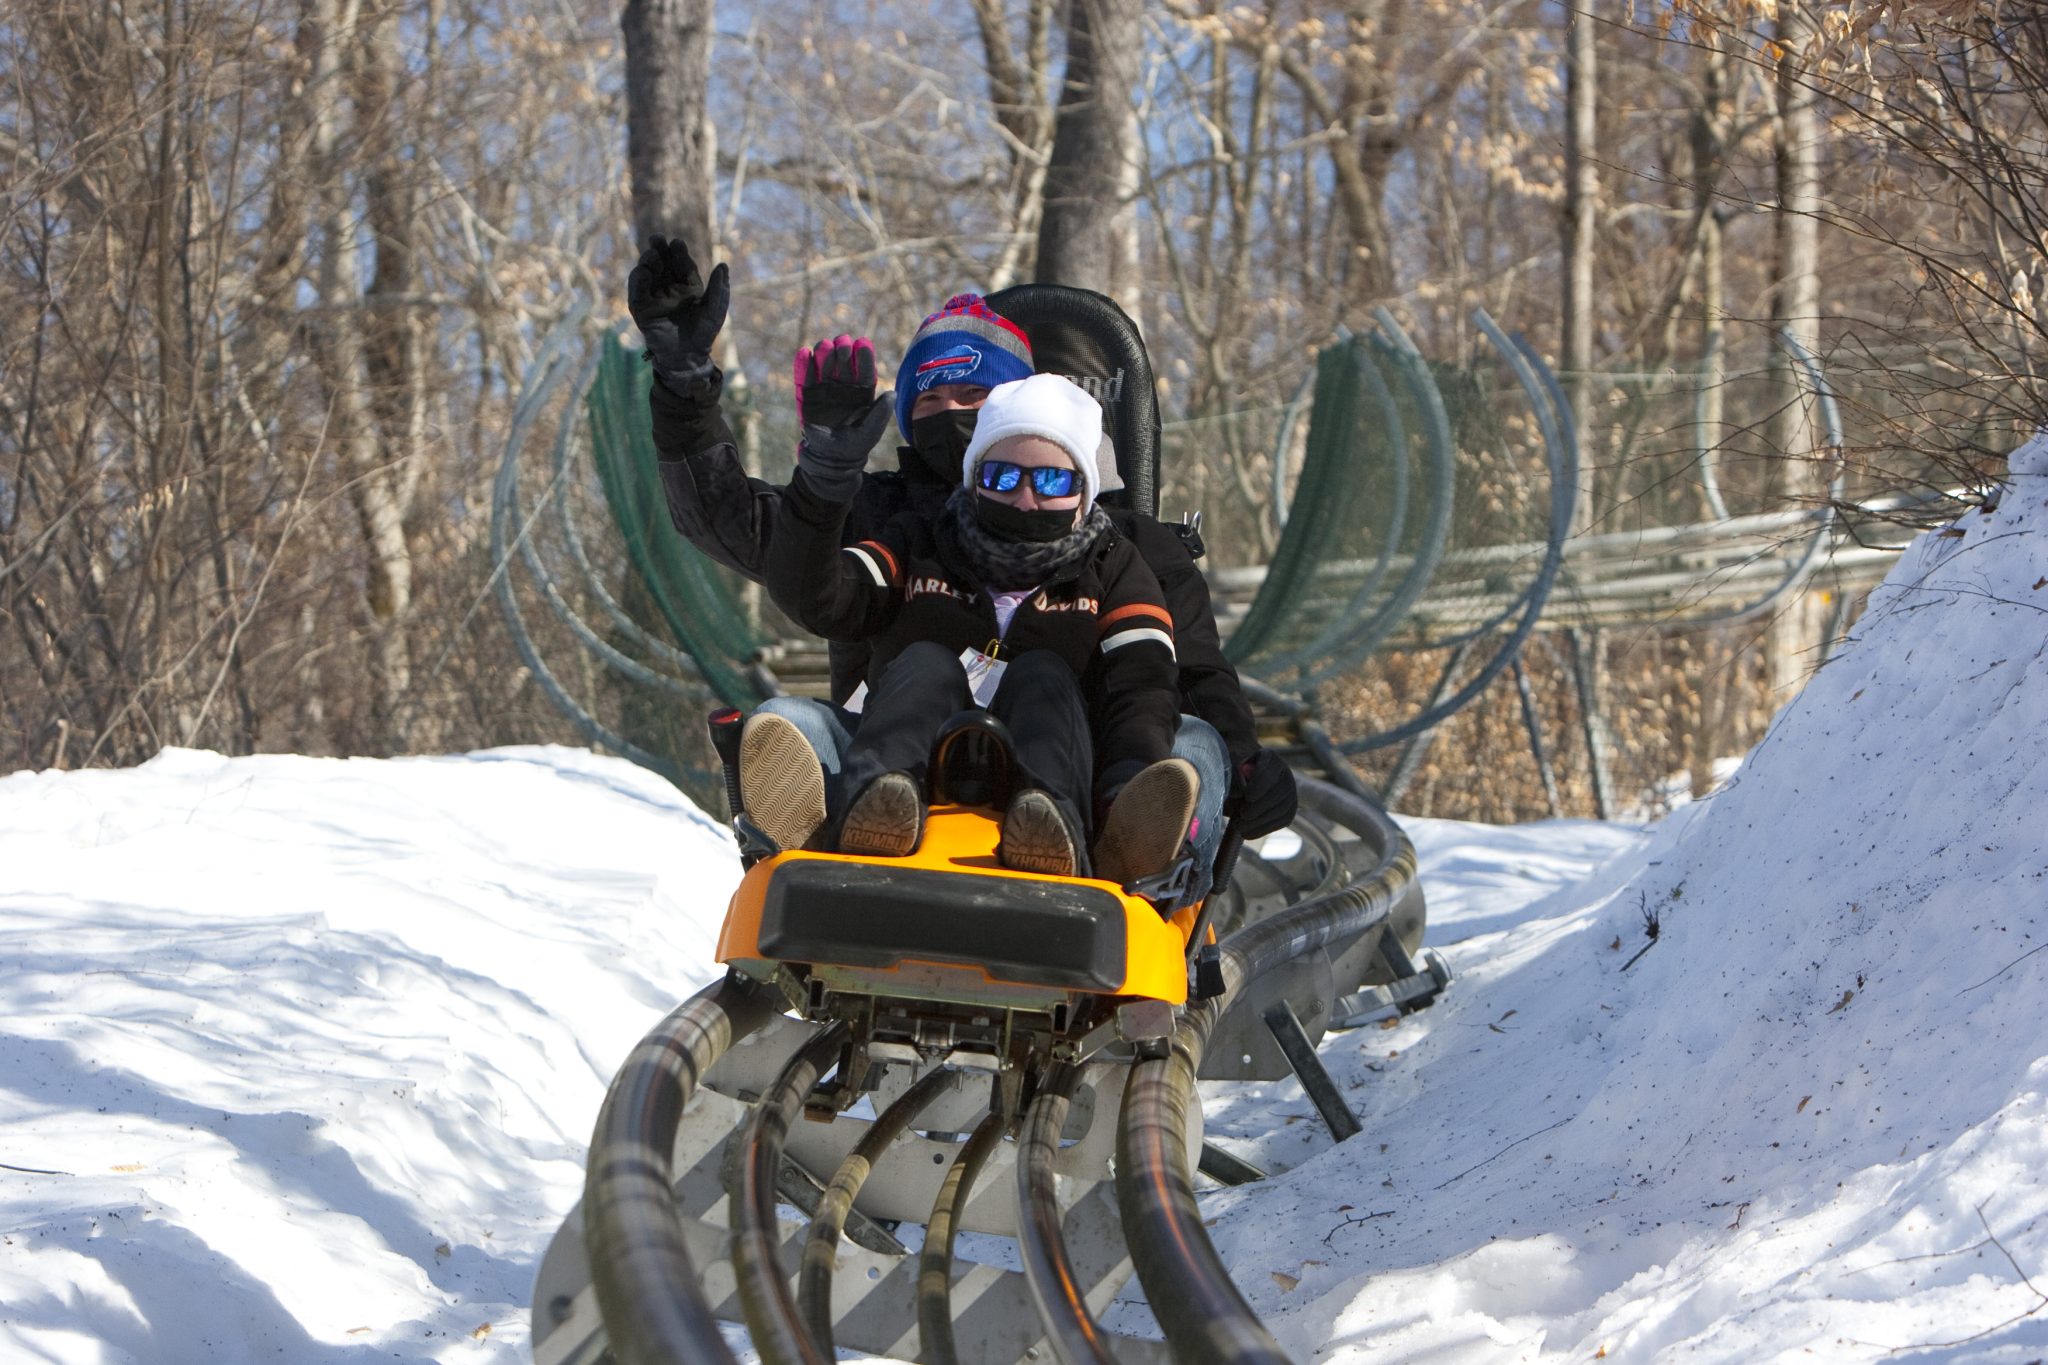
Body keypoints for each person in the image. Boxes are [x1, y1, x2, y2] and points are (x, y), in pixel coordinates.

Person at [625, 236, 1297, 886]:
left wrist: (1243, 759)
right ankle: (815, 862)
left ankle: (1131, 861)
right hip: (898, 759)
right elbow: (736, 530)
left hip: (1074, 767)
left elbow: (1185, 668)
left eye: (974, 399)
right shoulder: (886, 519)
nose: (953, 415)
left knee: (1195, 746)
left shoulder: (1120, 544)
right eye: (931, 401)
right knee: (790, 721)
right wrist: (688, 396)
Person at [766, 372, 1196, 883]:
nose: (1026, 500)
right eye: (1003, 478)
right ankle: (863, 813)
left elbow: (1142, 683)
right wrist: (824, 481)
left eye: (1054, 481)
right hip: (912, 765)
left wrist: (1127, 783)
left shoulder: (1112, 566)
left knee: (1058, 681)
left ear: (1084, 496)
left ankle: (1075, 833)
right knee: (883, 678)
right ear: (975, 480)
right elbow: (822, 598)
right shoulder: (923, 540)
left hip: (1057, 764)